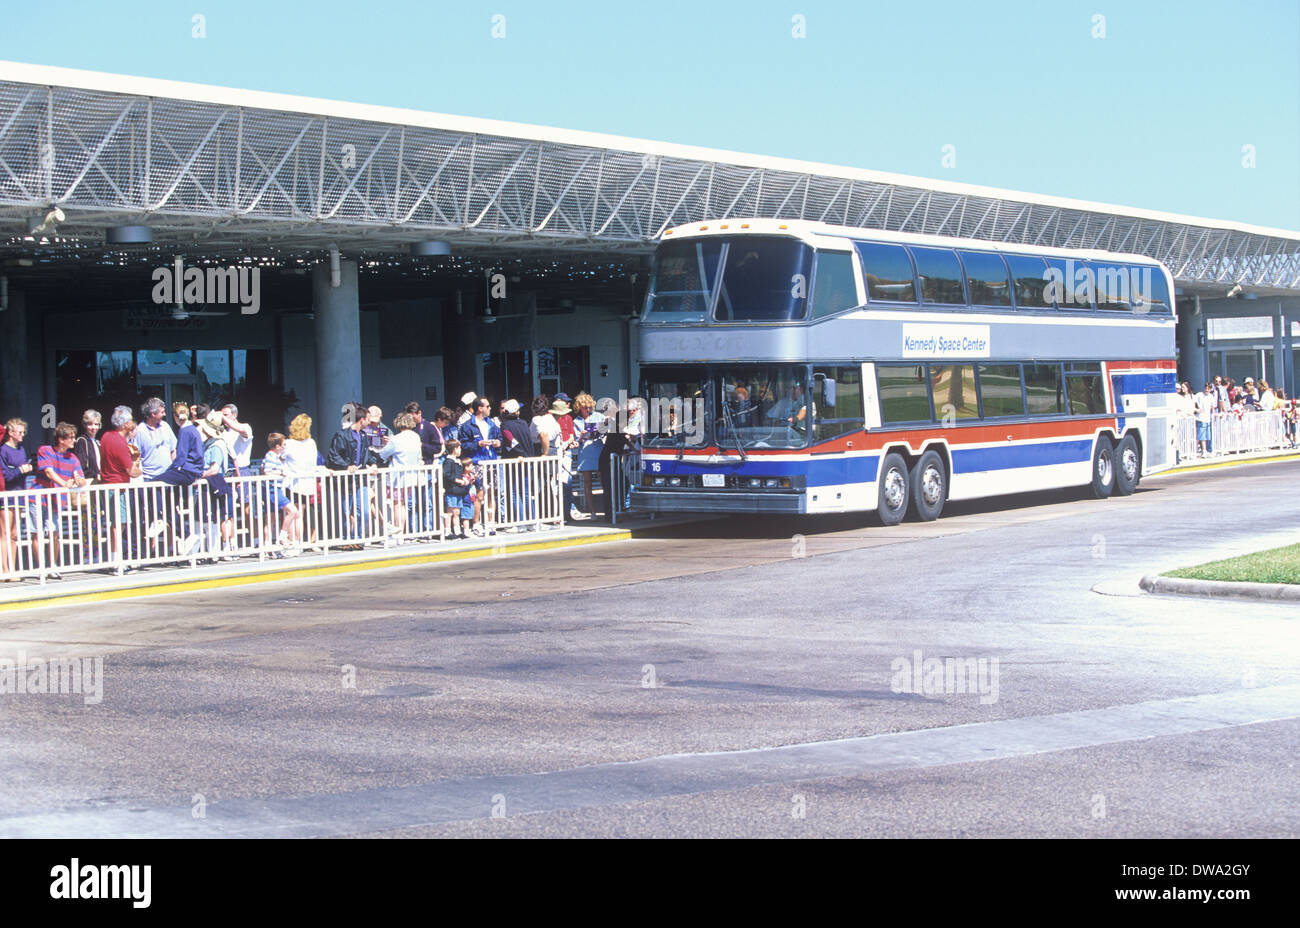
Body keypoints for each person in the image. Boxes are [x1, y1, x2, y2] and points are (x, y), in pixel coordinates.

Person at [34, 422, 88, 578]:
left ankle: (52, 567)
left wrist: (79, 481)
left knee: (54, 533)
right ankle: (41, 568)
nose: (74, 440)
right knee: (37, 534)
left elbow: (82, 479)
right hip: (38, 498)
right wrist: (65, 484)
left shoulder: (73, 457)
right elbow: (49, 472)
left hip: (56, 501)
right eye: (70, 437)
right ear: (60, 439)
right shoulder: (45, 450)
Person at [326, 402, 378, 548]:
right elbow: (333, 455)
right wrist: (346, 465)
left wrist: (373, 464)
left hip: (360, 479)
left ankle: (357, 536)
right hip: (346, 480)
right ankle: (347, 539)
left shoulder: (363, 436)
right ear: (361, 420)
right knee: (346, 510)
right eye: (368, 419)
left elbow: (368, 455)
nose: (369, 422)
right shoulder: (342, 435)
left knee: (365, 511)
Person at [99, 406, 140, 569]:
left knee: (113, 524)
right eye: (130, 420)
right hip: (118, 487)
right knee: (119, 524)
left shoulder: (106, 437)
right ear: (124, 424)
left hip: (107, 485)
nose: (132, 423)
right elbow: (131, 471)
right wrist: (138, 467)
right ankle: (117, 561)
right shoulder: (120, 443)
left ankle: (113, 558)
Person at [196, 410, 236, 561]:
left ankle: (223, 549)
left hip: (216, 485)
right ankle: (212, 551)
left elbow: (214, 469)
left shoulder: (217, 446)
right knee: (208, 519)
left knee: (220, 517)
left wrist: (198, 475)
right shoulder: (208, 444)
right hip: (209, 487)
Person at [459, 396, 502, 533]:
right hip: (477, 462)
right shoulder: (467, 426)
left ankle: (491, 522)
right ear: (480, 408)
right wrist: (477, 444)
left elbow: (499, 438)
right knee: (479, 493)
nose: (490, 409)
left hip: (491, 461)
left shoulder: (491, 424)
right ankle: (476, 523)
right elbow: (463, 445)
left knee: (491, 493)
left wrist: (498, 443)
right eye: (487, 406)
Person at [377, 412, 422, 534]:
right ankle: (402, 530)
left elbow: (383, 454)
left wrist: (387, 444)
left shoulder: (396, 439)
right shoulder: (416, 437)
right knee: (403, 504)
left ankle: (398, 532)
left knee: (396, 505)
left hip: (397, 477)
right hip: (411, 475)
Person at [1, 418, 35, 579]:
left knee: (14, 534)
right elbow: (6, 475)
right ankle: (5, 569)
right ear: (11, 433)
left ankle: (12, 569)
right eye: (20, 432)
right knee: (5, 533)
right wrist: (21, 470)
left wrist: (23, 469)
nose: (23, 435)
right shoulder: (3, 451)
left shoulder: (21, 449)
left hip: (19, 494)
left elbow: (18, 471)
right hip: (6, 496)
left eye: (23, 432)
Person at [284, 414, 321, 547]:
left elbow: (281, 458)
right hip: (307, 483)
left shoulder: (289, 444)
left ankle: (293, 541)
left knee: (292, 514)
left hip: (293, 484)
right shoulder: (311, 443)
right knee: (300, 514)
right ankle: (298, 542)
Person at [72, 410, 105, 564]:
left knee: (97, 520)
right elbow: (81, 465)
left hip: (98, 485)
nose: (94, 427)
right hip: (89, 485)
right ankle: (87, 555)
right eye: (90, 424)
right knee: (88, 521)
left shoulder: (97, 442)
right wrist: (96, 474)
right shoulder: (82, 441)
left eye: (96, 424)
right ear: (85, 425)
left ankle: (95, 553)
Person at [261, 433, 301, 556]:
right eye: (283, 445)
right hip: (273, 490)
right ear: (277, 446)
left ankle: (267, 546)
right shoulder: (271, 456)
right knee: (293, 511)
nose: (284, 447)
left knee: (270, 518)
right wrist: (281, 473)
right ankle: (282, 536)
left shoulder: (274, 456)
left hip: (272, 490)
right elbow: (267, 471)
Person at [441, 439, 469, 538]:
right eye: (459, 448)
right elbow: (446, 475)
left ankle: (457, 531)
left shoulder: (457, 461)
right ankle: (447, 531)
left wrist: (464, 479)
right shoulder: (449, 461)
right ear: (454, 449)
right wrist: (458, 480)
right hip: (451, 490)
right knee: (449, 512)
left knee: (457, 512)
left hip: (458, 490)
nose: (460, 450)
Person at [1194, 381, 1216, 456]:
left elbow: (1212, 407)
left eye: (1208, 388)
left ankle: (1207, 450)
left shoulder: (1211, 396)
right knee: (1202, 435)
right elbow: (1192, 402)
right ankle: (1203, 450)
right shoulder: (1199, 395)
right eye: (1206, 388)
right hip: (1200, 418)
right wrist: (1196, 410)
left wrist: (1213, 414)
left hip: (1207, 418)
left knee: (1207, 435)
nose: (1206, 390)